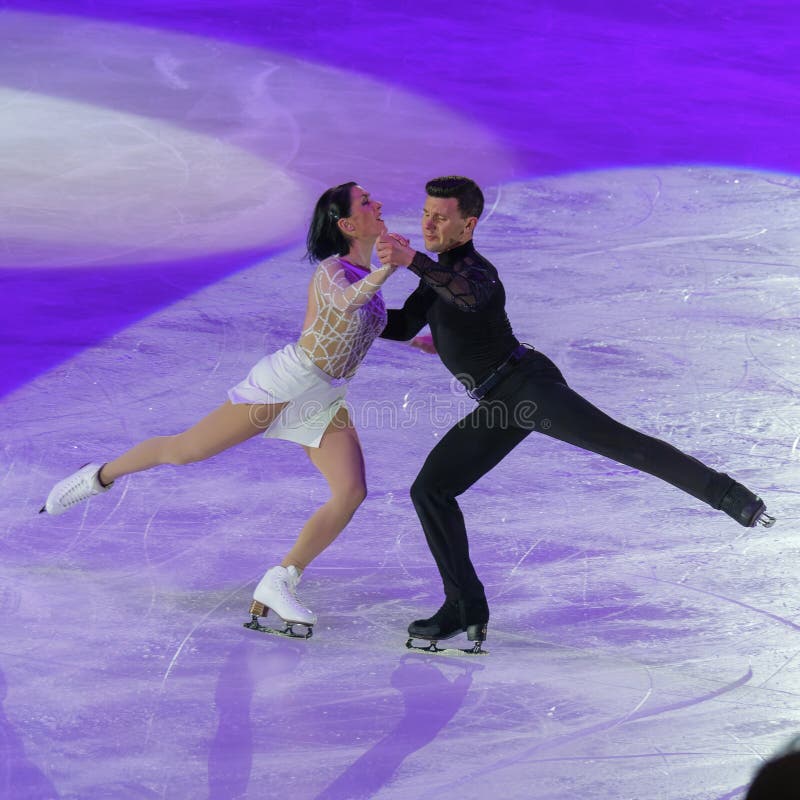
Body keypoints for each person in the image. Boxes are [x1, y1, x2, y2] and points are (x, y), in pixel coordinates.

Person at [376, 175, 775, 650]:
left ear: (468, 224)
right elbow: (399, 325)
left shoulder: (476, 270)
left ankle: (731, 496)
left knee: (623, 445)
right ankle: (466, 606)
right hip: (498, 403)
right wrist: (349, 303)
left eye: (441, 216)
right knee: (431, 489)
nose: (428, 223)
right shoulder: (436, 273)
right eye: (425, 213)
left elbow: (469, 296)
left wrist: (412, 261)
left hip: (528, 386)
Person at [41, 182, 400, 634]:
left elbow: (364, 323)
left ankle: (281, 579)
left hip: (326, 394)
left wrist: (424, 336)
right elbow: (349, 303)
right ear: (347, 224)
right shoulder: (332, 271)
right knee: (186, 450)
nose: (378, 204)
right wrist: (386, 270)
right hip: (286, 384)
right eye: (367, 202)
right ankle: (99, 475)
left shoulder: (366, 270)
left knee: (350, 492)